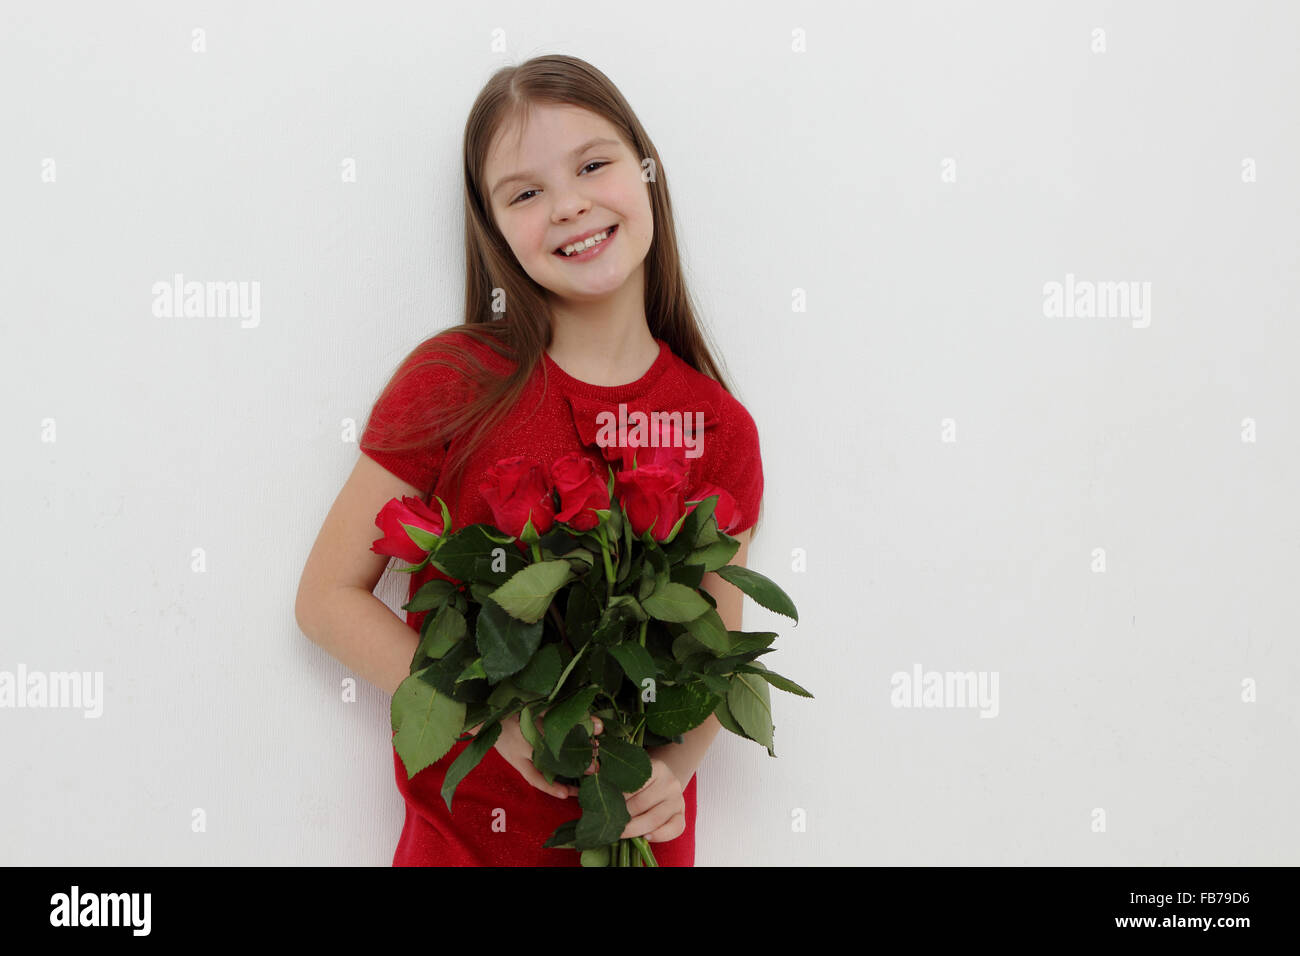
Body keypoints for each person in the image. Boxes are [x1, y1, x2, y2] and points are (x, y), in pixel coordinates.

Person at [295, 54, 765, 866]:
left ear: (646, 170)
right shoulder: (455, 383)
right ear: (494, 227)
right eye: (525, 192)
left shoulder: (717, 427)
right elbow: (327, 599)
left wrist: (671, 770)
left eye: (592, 164)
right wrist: (496, 711)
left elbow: (715, 650)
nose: (570, 205)